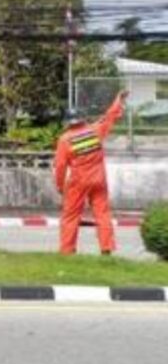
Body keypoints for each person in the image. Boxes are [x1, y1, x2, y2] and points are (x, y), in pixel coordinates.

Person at [54, 90, 128, 256]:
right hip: (99, 180)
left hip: (78, 182)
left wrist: (60, 186)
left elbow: (60, 166)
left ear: (67, 122)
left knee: (70, 217)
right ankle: (106, 249)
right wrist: (118, 100)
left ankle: (67, 251)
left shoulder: (65, 139)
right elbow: (109, 117)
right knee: (102, 214)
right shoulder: (95, 130)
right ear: (83, 118)